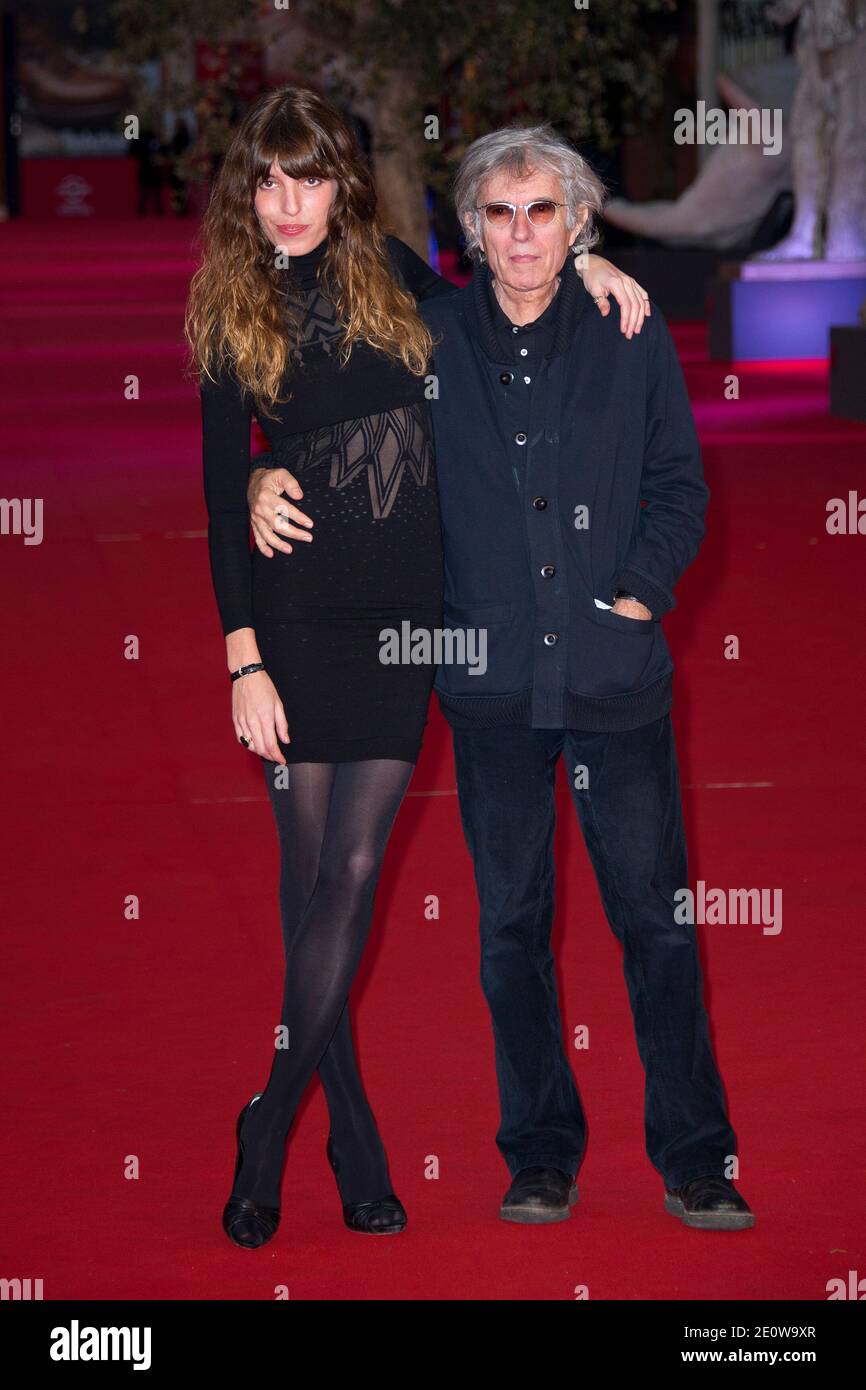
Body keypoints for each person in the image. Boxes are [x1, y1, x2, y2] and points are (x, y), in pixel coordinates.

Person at [248, 123, 755, 1232]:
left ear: (576, 224)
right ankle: (538, 1152)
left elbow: (679, 486)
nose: (520, 233)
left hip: (614, 679)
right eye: (498, 213)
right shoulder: (423, 337)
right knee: (509, 931)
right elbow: (325, 416)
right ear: (470, 231)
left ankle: (695, 1153)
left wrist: (635, 587)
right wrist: (261, 472)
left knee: (655, 927)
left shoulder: (628, 333)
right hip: (485, 688)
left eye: (543, 213)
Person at [185, 86, 650, 1249]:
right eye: (266, 180)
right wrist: (243, 646)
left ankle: (268, 1120)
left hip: (405, 623)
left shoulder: (393, 270)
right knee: (316, 894)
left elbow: (502, 303)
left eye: (309, 177)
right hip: (293, 624)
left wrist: (582, 262)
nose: (287, 204)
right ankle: (351, 1137)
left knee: (346, 873)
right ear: (247, 191)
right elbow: (211, 491)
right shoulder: (231, 308)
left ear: (345, 181)